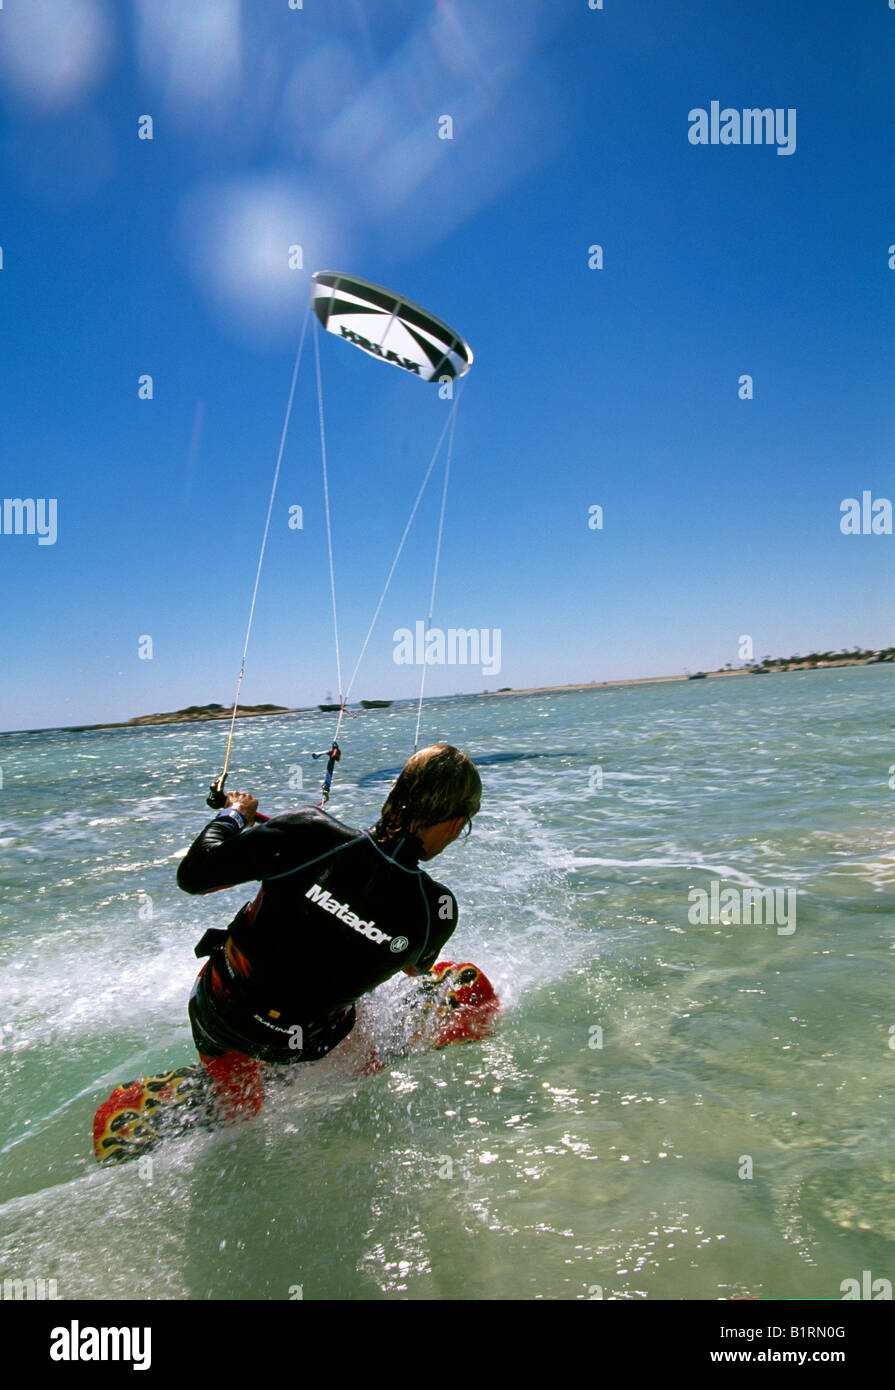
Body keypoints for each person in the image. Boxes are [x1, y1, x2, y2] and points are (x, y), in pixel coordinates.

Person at [177, 744, 481, 1121]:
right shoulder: (436, 909)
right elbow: (414, 969)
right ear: (453, 824)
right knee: (364, 1000)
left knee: (244, 986)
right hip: (310, 1042)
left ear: (396, 793)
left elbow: (194, 876)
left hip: (218, 1016)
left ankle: (232, 1094)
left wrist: (234, 815)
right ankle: (350, 1072)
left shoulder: (306, 831)